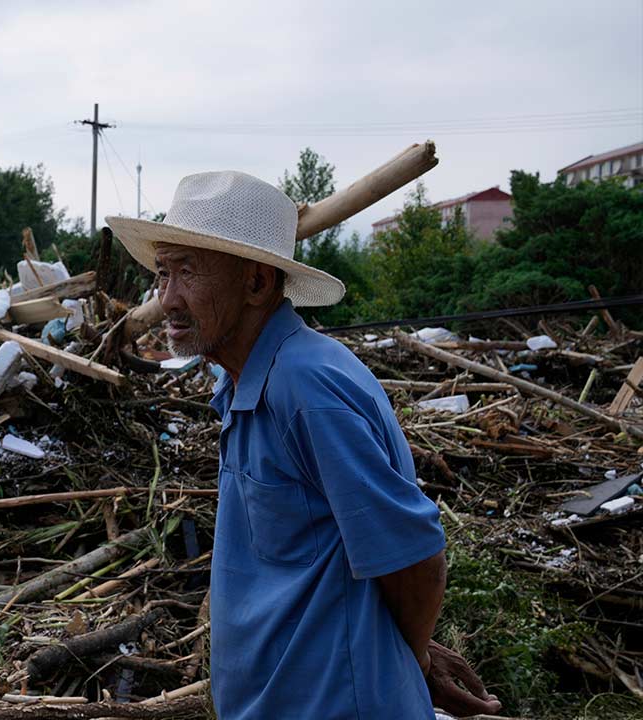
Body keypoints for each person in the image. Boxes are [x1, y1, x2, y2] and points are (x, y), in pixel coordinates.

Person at [106, 172, 503, 720]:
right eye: (163, 273)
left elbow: (415, 558)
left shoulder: (307, 388)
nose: (167, 299)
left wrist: (404, 663)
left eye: (188, 273)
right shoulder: (241, 382)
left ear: (257, 284)